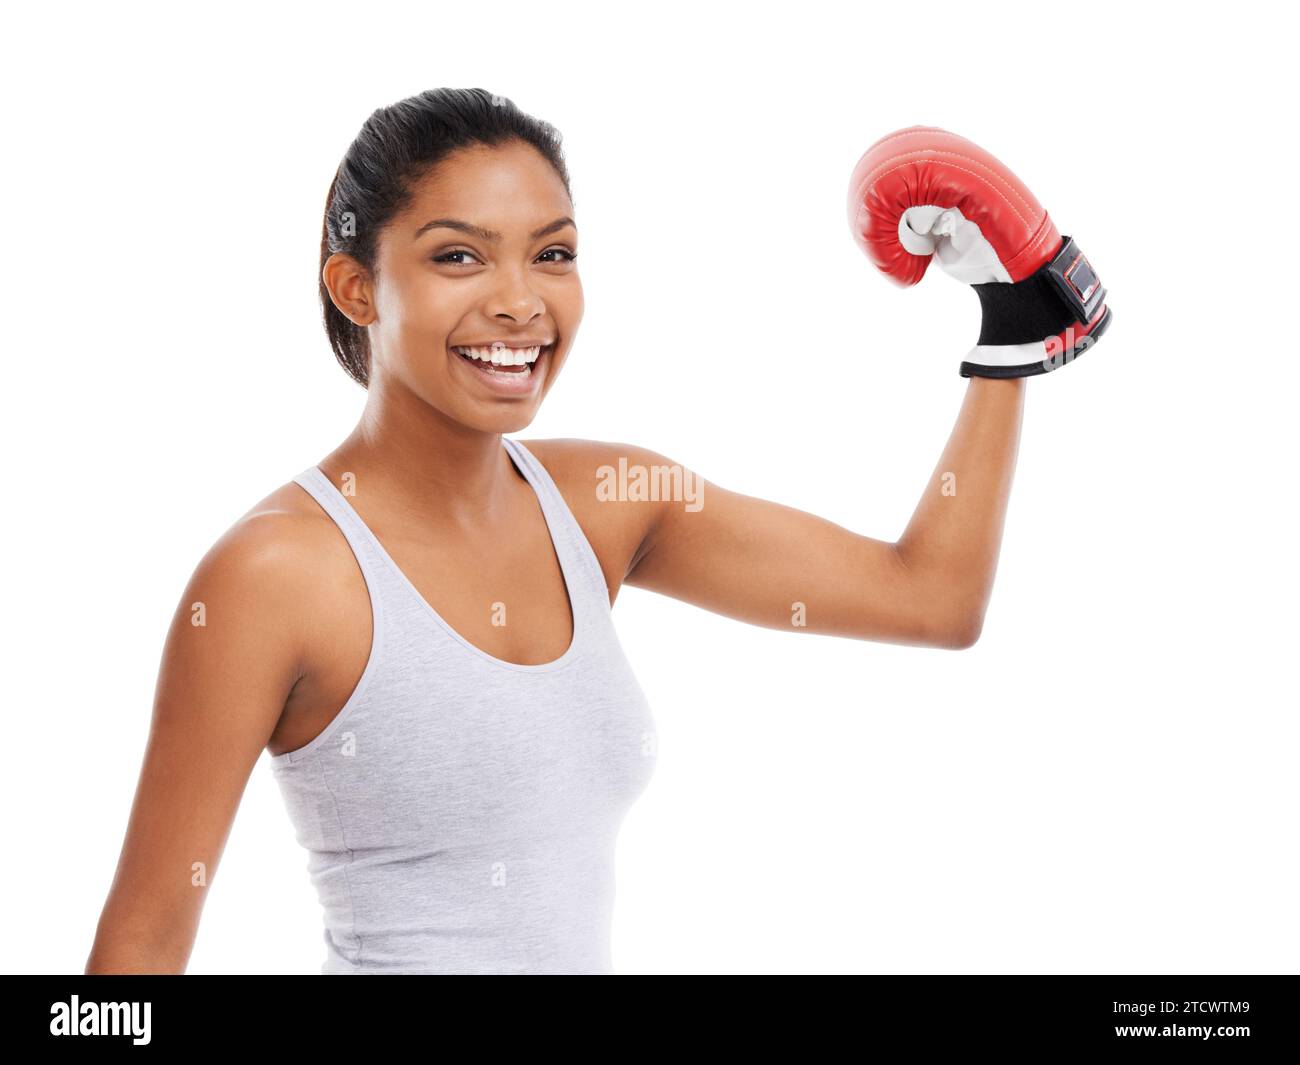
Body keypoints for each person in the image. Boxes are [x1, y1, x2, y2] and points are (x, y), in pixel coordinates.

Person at [85, 89, 1053, 975]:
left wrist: (1008, 334)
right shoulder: (278, 571)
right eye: (457, 255)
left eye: (551, 253)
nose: (519, 301)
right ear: (356, 288)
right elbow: (142, 943)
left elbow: (929, 600)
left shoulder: (605, 502)